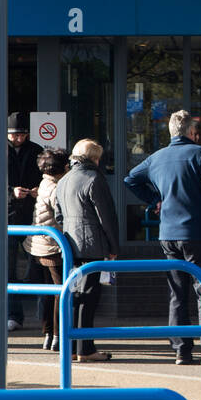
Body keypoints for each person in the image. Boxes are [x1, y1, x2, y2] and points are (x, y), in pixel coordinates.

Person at [124, 110, 201, 365]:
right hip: (197, 233)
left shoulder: (156, 158)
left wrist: (154, 200)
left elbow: (130, 179)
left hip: (168, 234)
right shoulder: (200, 154)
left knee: (177, 293)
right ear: (191, 133)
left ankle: (181, 350)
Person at [55, 139, 119, 362]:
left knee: (74, 296)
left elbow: (58, 215)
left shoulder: (63, 180)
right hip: (92, 246)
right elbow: (107, 217)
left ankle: (72, 348)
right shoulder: (94, 179)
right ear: (94, 158)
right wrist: (113, 247)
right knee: (89, 298)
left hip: (70, 246)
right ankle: (86, 349)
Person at [26, 147, 70, 351]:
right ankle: (58, 336)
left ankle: (48, 334)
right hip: (52, 246)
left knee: (48, 291)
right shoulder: (57, 188)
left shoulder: (45, 182)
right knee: (60, 292)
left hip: (38, 245)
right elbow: (61, 218)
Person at [6, 112, 43, 331]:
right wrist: (11, 192)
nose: (18, 138)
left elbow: (46, 176)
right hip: (9, 217)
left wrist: (40, 189)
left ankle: (44, 316)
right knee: (9, 270)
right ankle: (13, 315)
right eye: (14, 135)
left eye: (22, 134)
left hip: (33, 216)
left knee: (39, 267)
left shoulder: (37, 150)